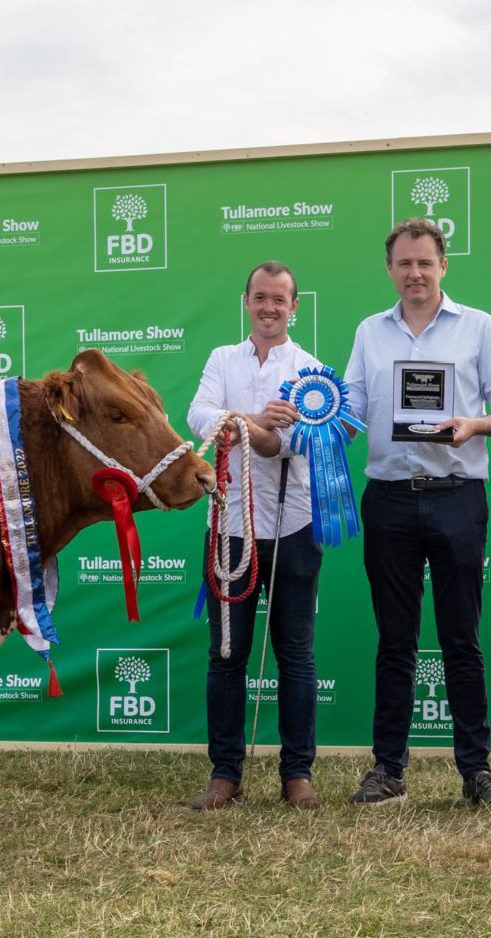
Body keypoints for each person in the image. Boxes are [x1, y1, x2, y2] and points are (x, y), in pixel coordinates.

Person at [342, 217, 491, 809]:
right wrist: (318, 421)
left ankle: (476, 770)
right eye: (404, 263)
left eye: (425, 262)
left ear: (443, 265)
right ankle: (387, 770)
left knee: (461, 639)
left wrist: (475, 424)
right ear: (389, 269)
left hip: (457, 496)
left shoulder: (478, 327)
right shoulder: (369, 332)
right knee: (395, 641)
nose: (415, 273)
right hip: (389, 498)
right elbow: (350, 405)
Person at [184, 261, 326, 810]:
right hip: (229, 529)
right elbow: (200, 417)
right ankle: (226, 775)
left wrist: (247, 428)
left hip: (294, 527)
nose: (269, 308)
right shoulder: (222, 359)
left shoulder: (312, 371)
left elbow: (291, 444)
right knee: (226, 655)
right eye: (260, 298)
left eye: (279, 299)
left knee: (296, 654)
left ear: (295, 307)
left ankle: (298, 776)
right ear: (246, 302)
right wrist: (256, 419)